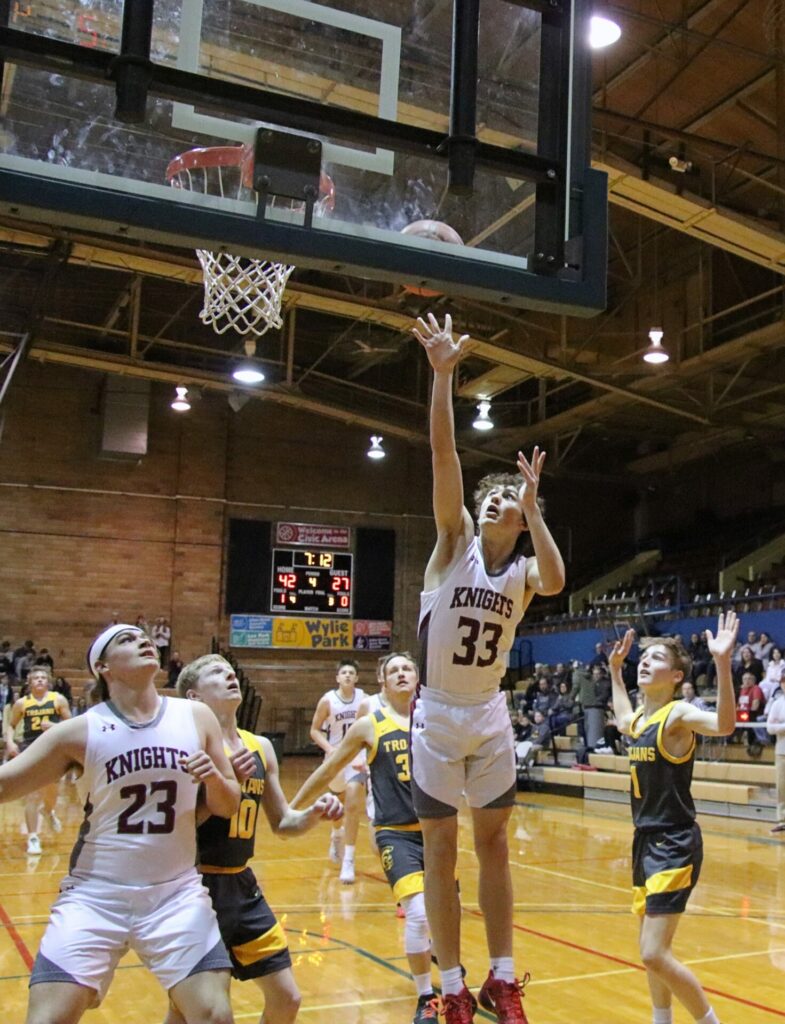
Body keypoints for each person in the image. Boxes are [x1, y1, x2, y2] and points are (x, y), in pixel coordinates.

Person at [410, 312, 566, 1024]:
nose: (501, 501)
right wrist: (442, 376)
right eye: (495, 498)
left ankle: (503, 980)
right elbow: (445, 461)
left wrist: (535, 512)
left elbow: (559, 581)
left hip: (489, 712)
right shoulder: (455, 544)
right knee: (439, 848)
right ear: (480, 513)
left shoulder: (527, 569)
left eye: (511, 498)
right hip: (438, 713)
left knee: (494, 843)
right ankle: (449, 985)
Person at [0, 623, 241, 1024]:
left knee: (215, 1015)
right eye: (126, 640)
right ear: (103, 667)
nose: (144, 642)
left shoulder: (195, 716)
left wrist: (214, 778)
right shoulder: (79, 731)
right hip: (96, 896)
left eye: (144, 637)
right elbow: (7, 783)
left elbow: (228, 804)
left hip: (175, 894)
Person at [171, 653, 342, 1024]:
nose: (230, 675)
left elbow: (282, 823)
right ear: (194, 698)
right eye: (217, 673)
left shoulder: (260, 746)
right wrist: (221, 782)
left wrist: (314, 813)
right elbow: (175, 828)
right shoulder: (186, 748)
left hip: (242, 886)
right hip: (194, 887)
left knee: (287, 999)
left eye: (230, 671)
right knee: (197, 1013)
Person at [291, 652, 438, 1024]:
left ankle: (445, 970)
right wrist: (292, 808)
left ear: (418, 678)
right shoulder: (370, 724)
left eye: (407, 668)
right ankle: (425, 996)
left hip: (438, 832)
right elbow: (329, 770)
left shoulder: (435, 720)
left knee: (438, 917)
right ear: (382, 682)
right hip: (396, 834)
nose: (402, 674)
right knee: (418, 914)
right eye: (394, 671)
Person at [608, 612, 738, 1024]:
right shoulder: (642, 720)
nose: (645, 662)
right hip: (644, 841)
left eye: (656, 658)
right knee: (651, 954)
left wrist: (721, 662)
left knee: (653, 952)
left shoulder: (678, 714)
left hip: (674, 842)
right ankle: (661, 1019)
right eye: (643, 658)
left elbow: (724, 723)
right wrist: (614, 671)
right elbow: (623, 715)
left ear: (677, 676)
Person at [309, 658, 367, 884]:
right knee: (339, 802)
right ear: (337, 678)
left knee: (353, 802)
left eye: (352, 672)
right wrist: (329, 749)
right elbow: (314, 730)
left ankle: (349, 859)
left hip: (356, 758)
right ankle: (336, 834)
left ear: (357, 678)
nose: (348, 675)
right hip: (335, 758)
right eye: (344, 672)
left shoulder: (364, 699)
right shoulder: (328, 700)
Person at [4, 664, 71, 854]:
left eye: (43, 677)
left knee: (52, 791)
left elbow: (71, 724)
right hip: (30, 747)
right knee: (32, 793)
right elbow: (11, 726)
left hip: (53, 748)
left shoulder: (58, 699)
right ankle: (33, 836)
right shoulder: (22, 703)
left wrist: (52, 725)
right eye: (36, 678)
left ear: (48, 682)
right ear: (29, 682)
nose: (40, 680)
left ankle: (48, 812)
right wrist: (10, 742)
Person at [766, 684, 785, 834]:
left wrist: (780, 725)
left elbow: (775, 726)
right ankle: (782, 820)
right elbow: (770, 728)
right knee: (782, 788)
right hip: (782, 751)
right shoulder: (778, 703)